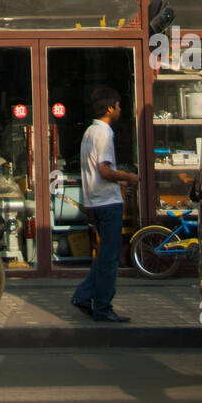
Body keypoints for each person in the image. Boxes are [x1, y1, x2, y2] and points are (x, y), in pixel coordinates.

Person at [71, 88, 139, 324]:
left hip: (94, 200)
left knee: (104, 255)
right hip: (108, 202)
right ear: (110, 108)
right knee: (110, 258)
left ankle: (84, 295)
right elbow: (104, 169)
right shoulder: (104, 132)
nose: (120, 110)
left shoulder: (89, 131)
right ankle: (103, 306)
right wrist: (128, 177)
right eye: (119, 106)